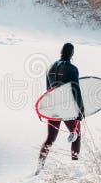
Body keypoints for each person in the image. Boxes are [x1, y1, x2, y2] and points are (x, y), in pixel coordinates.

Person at [36, 43, 85, 174]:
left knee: (50, 138)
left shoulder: (50, 68)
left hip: (53, 107)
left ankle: (40, 166)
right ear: (72, 53)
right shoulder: (72, 69)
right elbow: (75, 90)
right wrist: (81, 108)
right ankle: (75, 166)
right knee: (76, 136)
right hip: (67, 107)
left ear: (61, 52)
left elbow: (49, 90)